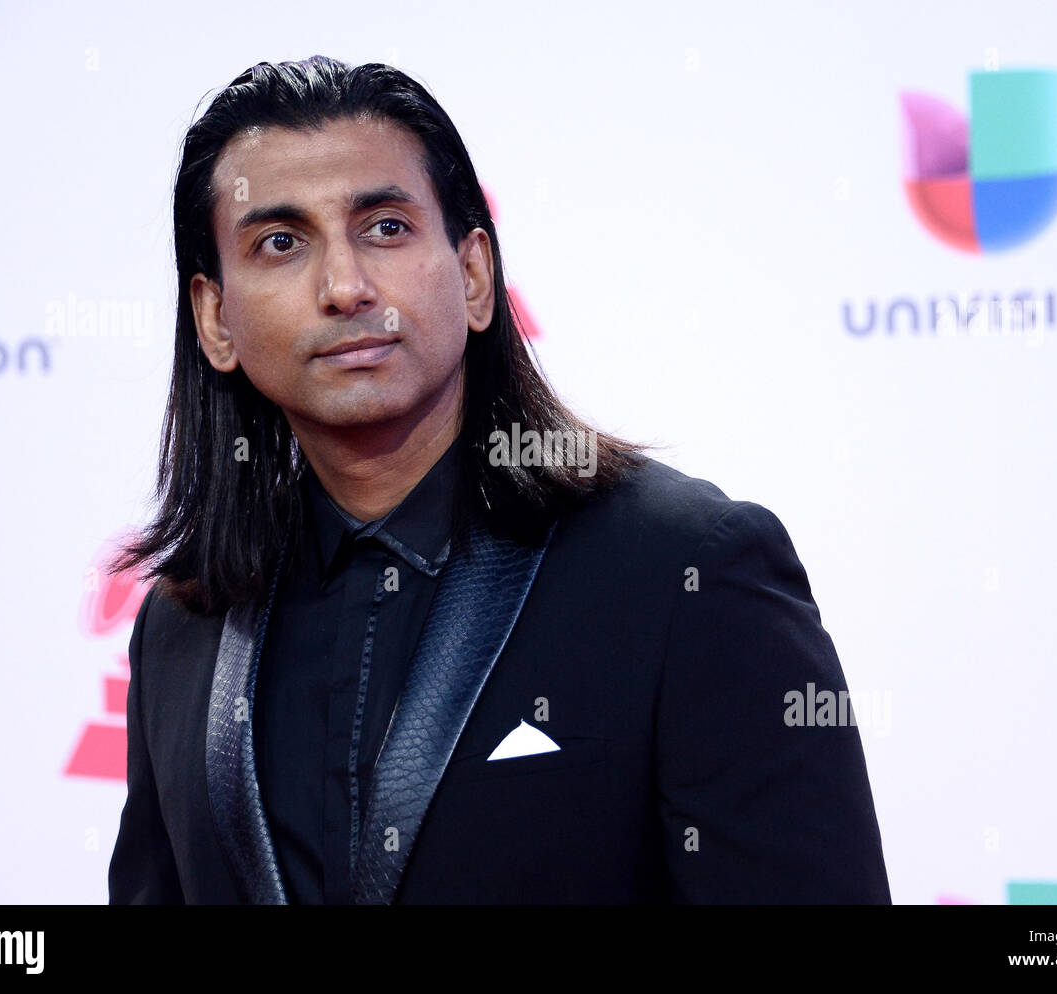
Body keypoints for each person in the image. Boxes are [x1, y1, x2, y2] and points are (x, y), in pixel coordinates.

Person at [106, 55, 891, 904]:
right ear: (216, 320)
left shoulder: (683, 574)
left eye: (385, 228)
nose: (344, 287)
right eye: (281, 243)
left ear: (474, 275)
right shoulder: (184, 626)